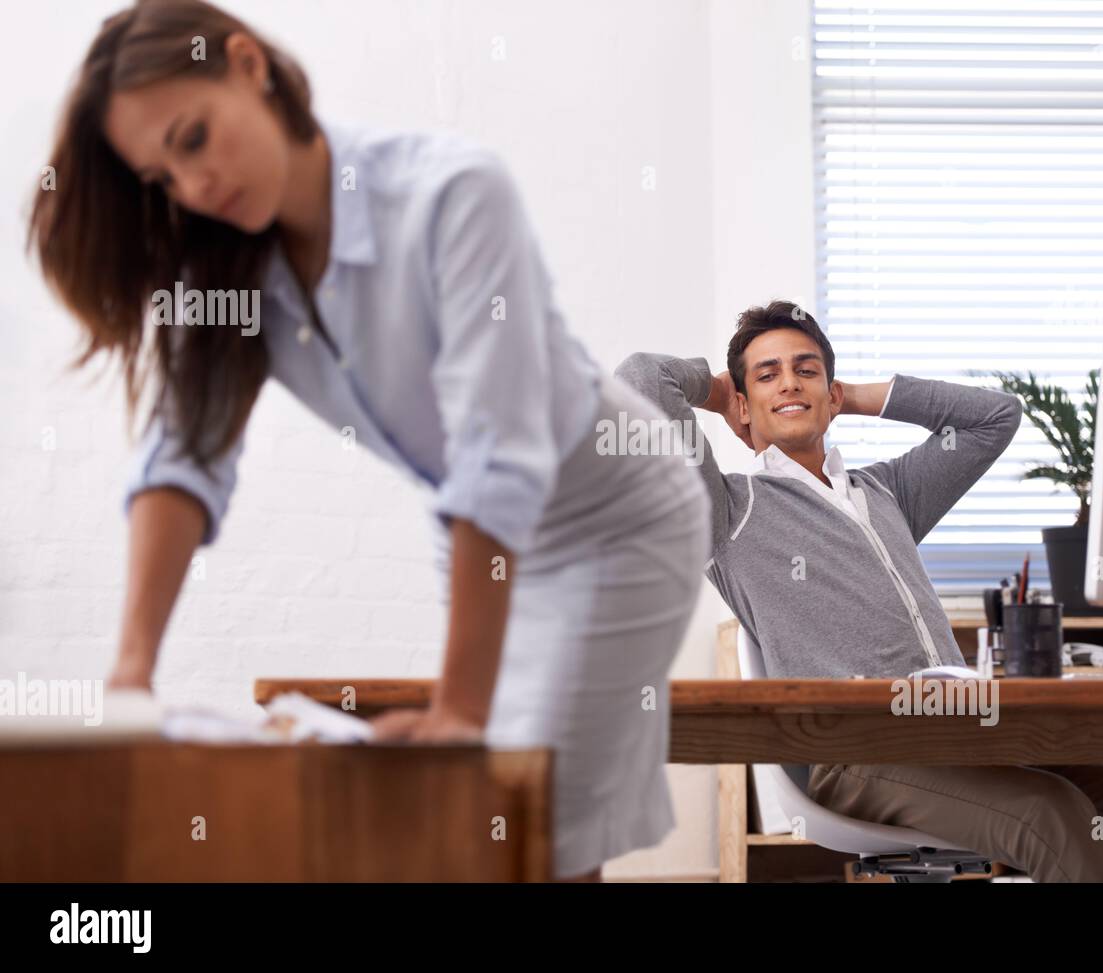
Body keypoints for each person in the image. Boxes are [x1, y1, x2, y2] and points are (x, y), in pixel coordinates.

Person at [26, 0, 709, 882]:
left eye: (192, 139)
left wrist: (459, 709)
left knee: (532, 826)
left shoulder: (453, 193)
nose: (190, 188)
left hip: (614, 520)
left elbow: (494, 450)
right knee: (480, 823)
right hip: (483, 538)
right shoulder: (236, 262)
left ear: (248, 65)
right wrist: (129, 680)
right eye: (160, 178)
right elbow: (183, 457)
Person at [616, 299, 1103, 882]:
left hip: (962, 734)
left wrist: (855, 398)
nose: (789, 384)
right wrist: (722, 395)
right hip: (859, 755)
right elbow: (642, 378)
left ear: (833, 392)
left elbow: (995, 417)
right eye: (767, 375)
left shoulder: (890, 493)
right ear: (743, 405)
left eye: (807, 370)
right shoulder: (726, 511)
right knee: (1048, 815)